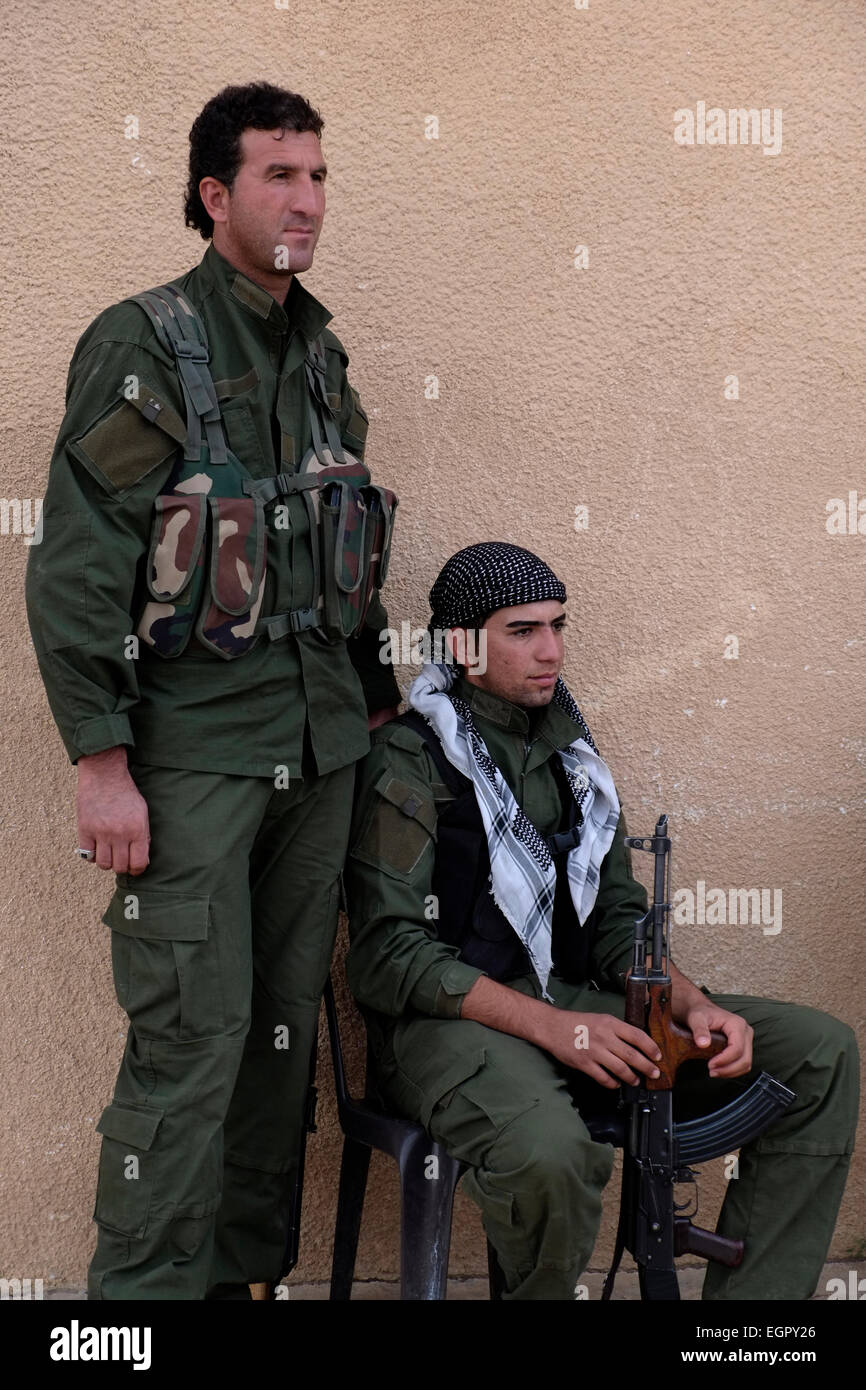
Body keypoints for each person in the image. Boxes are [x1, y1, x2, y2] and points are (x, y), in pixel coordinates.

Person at [26, 81, 400, 1300]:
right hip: (192, 759)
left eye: (319, 175)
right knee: (191, 1040)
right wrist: (100, 758)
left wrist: (377, 699)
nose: (307, 199)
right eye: (279, 176)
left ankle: (238, 1283)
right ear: (214, 196)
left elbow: (342, 546)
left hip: (320, 753)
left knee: (279, 1043)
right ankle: (131, 1314)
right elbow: (80, 563)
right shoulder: (145, 344)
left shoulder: (320, 351)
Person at [343, 542, 859, 1300]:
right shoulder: (410, 762)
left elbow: (616, 919)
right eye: (522, 631)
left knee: (818, 1053)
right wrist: (554, 1029)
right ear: (462, 645)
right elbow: (389, 956)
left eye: (558, 626)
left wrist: (693, 1005)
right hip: (442, 1026)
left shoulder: (570, 754)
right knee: (551, 1153)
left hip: (565, 997)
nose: (550, 650)